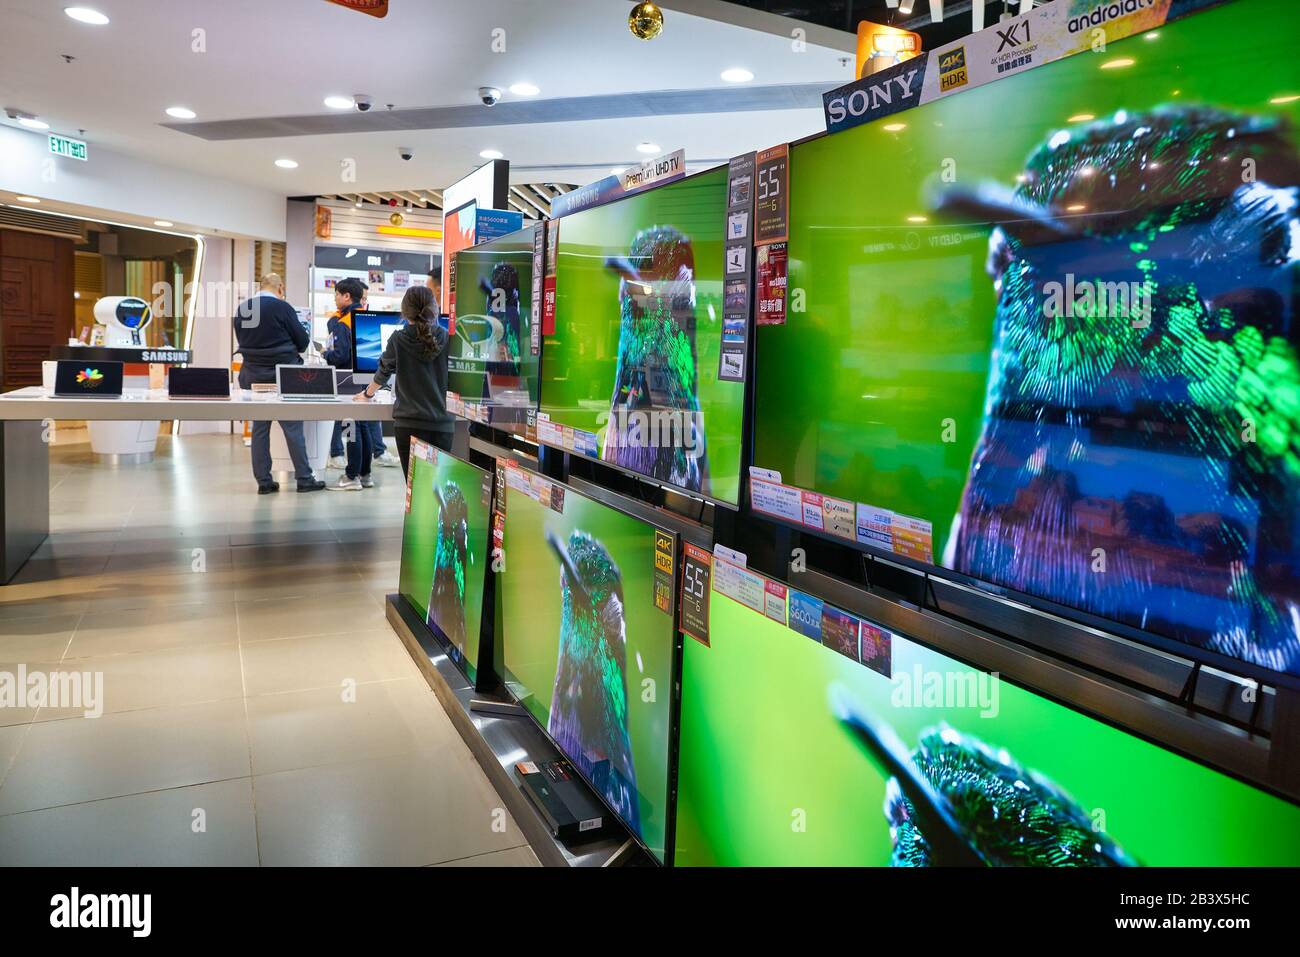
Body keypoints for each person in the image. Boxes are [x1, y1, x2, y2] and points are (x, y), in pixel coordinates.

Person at [232, 273, 325, 494]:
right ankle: (304, 478)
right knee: (293, 428)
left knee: (259, 429)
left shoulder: (243, 308)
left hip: (252, 375)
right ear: (280, 287)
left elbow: (242, 341)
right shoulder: (283, 308)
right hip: (284, 376)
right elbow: (302, 343)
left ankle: (264, 481)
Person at [355, 284, 453, 475]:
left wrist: (367, 394)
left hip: (409, 424)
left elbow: (383, 373)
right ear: (434, 308)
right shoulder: (448, 337)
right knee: (436, 485)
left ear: (405, 311)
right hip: (442, 424)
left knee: (413, 486)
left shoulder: (398, 339)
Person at [325, 279, 400, 472]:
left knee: (352, 430)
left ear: (346, 296)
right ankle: (365, 473)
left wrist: (326, 354)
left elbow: (340, 355)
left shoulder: (342, 323)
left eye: (337, 294)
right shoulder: (367, 317)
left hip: (347, 383)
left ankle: (352, 474)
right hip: (368, 381)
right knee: (364, 426)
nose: (335, 299)